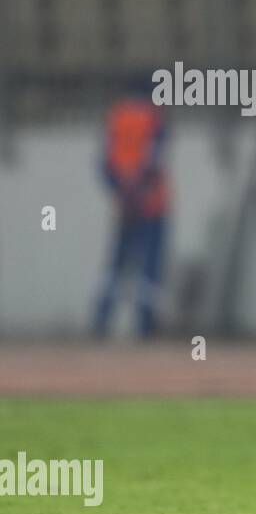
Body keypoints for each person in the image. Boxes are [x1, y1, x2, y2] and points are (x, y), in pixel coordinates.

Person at [93, 91, 169, 338]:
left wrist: (121, 190)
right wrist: (137, 190)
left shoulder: (116, 116)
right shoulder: (153, 116)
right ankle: (145, 327)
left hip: (125, 203)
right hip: (151, 204)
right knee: (149, 268)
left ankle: (101, 323)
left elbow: (105, 162)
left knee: (116, 265)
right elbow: (155, 158)